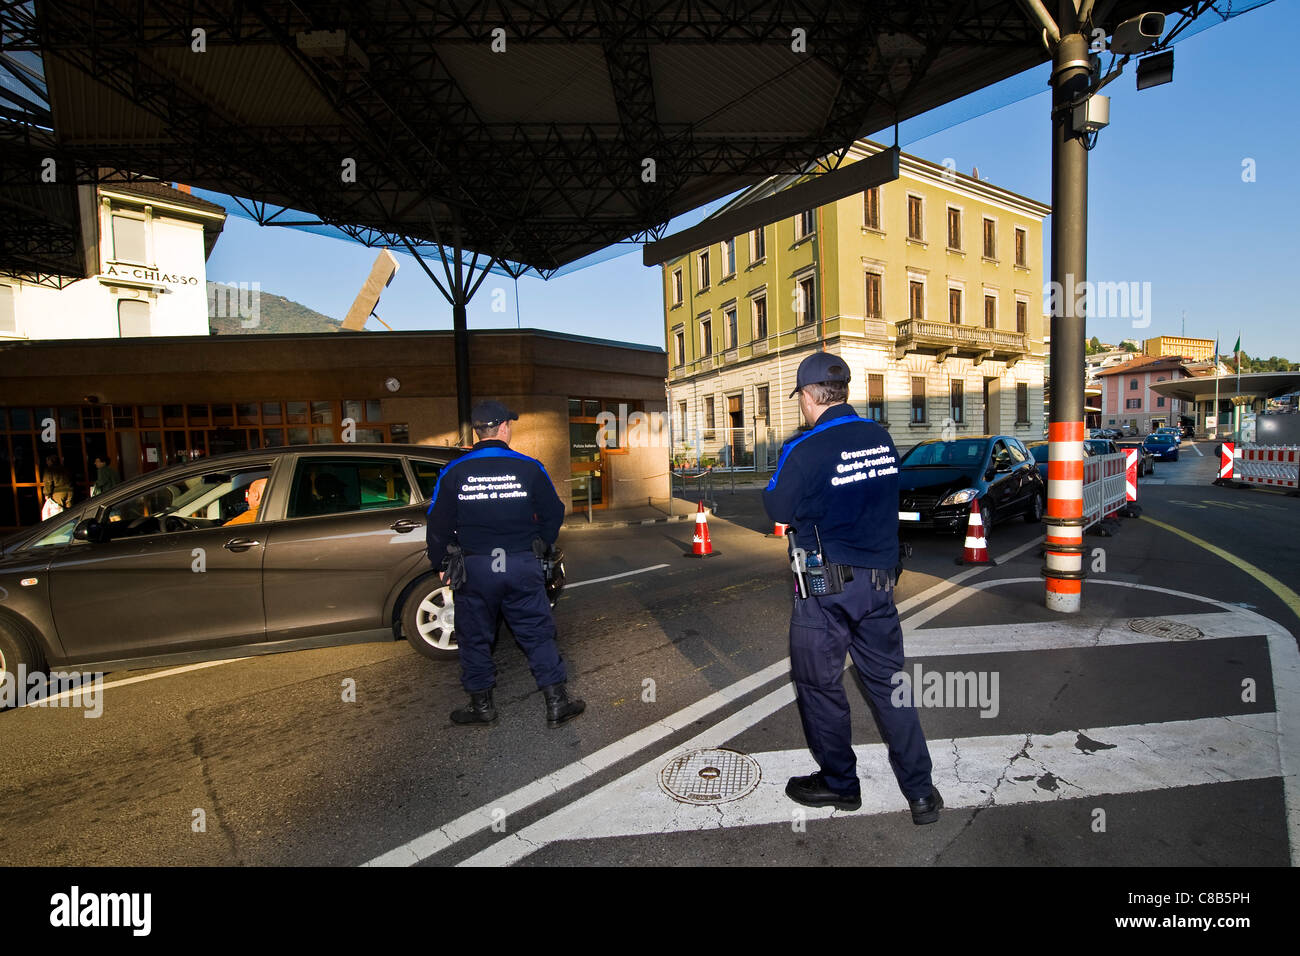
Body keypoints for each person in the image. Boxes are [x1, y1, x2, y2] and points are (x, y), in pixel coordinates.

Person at [762, 352, 943, 825]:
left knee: (820, 687)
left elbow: (777, 507)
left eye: (800, 397)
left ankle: (841, 785)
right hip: (880, 586)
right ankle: (921, 793)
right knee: (890, 689)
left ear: (807, 396)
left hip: (825, 593)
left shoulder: (803, 449)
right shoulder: (879, 438)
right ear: (842, 391)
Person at [426, 400, 583, 728]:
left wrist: (440, 561)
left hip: (476, 568)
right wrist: (541, 542)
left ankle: (481, 705)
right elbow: (554, 511)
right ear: (503, 428)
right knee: (536, 633)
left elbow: (437, 522)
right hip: (520, 562)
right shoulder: (529, 467)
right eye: (509, 424)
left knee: (474, 636)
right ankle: (556, 703)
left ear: (476, 432)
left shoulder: (453, 471)